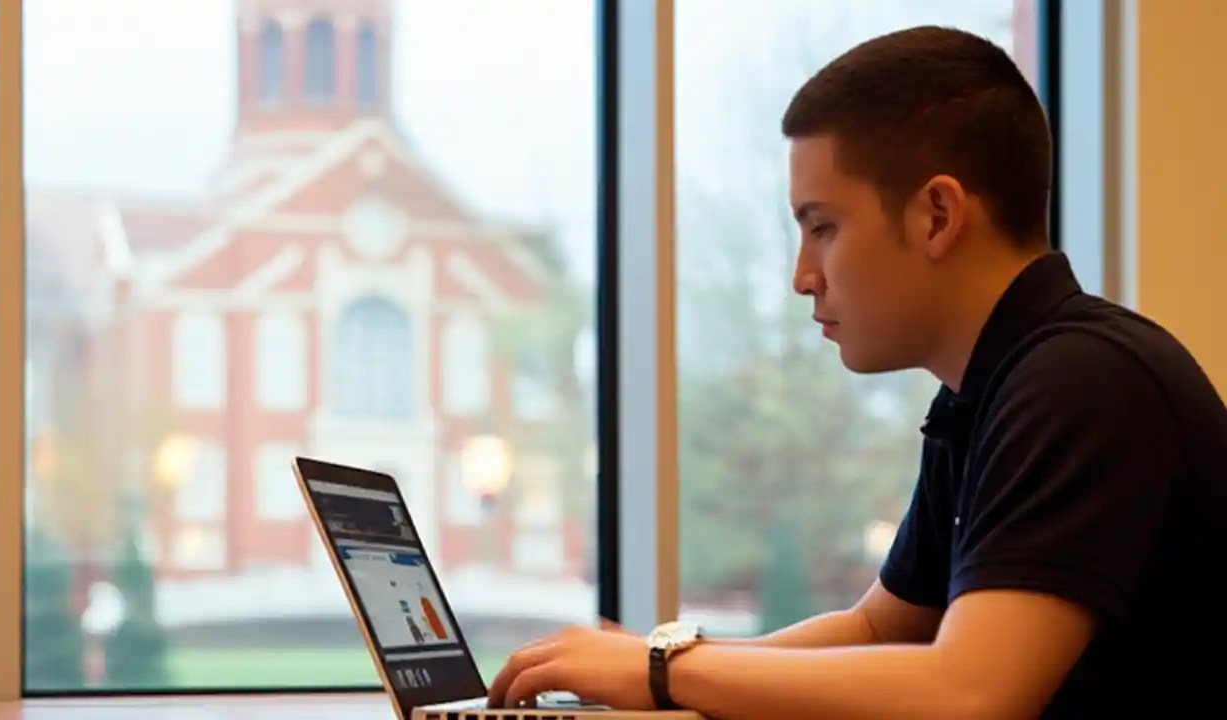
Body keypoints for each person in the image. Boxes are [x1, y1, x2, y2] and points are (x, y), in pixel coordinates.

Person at [486, 25, 1227, 719]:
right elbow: (880, 628)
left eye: (822, 227)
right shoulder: (991, 390)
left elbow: (969, 693)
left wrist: (659, 671)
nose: (803, 276)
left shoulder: (1081, 383)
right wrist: (656, 672)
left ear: (936, 215)